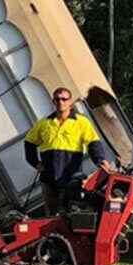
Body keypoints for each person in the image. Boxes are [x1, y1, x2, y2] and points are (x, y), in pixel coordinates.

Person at [23, 87, 115, 216]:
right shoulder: (44, 123)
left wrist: (100, 160)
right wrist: (35, 163)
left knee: (71, 212)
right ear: (53, 102)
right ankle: (52, 236)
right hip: (48, 178)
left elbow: (93, 144)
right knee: (51, 215)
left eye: (64, 99)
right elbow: (29, 142)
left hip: (71, 177)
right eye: (58, 99)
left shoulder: (81, 123)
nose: (61, 102)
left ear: (70, 102)